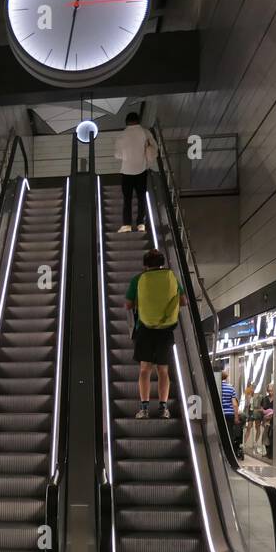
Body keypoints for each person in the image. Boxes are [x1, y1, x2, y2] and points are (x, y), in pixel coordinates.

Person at [125, 248, 180, 419]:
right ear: (162, 263)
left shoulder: (138, 279)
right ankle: (163, 409)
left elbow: (128, 305)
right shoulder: (171, 278)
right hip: (166, 330)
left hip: (145, 329)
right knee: (163, 370)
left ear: (144, 265)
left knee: (145, 370)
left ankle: (144, 408)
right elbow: (183, 300)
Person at [115, 111, 156, 233]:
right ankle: (141, 224)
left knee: (127, 199)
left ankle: (127, 224)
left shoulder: (121, 135)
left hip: (127, 172)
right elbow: (154, 149)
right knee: (141, 197)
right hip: (142, 170)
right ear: (138, 121)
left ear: (127, 122)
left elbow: (117, 155)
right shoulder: (145, 132)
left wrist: (127, 154)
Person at [220, 371, 243, 458]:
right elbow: (235, 404)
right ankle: (229, 453)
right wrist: (236, 417)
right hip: (229, 414)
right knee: (229, 433)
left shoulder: (215, 388)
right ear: (226, 378)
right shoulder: (230, 388)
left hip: (219, 414)